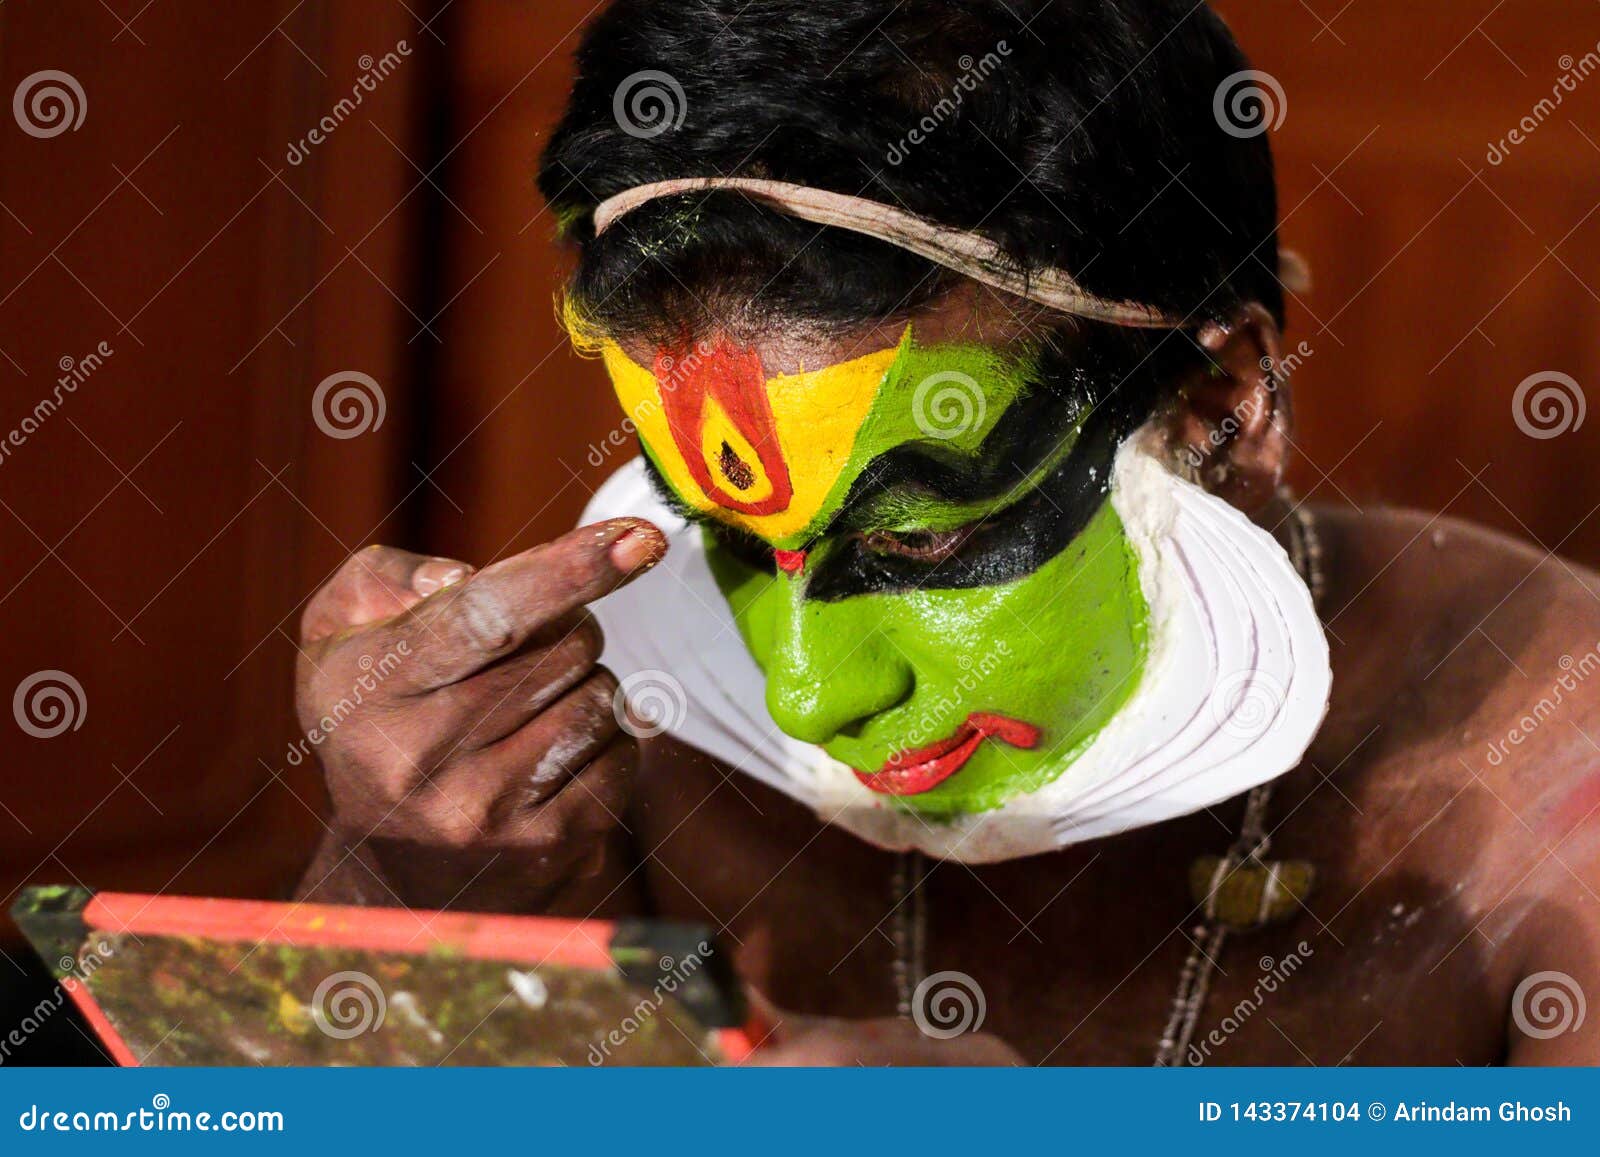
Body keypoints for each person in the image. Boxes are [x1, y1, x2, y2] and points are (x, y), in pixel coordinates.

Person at [294, 0, 1600, 1065]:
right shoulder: (611, 723)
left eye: (916, 543)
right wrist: (391, 891)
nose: (806, 697)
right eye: (732, 541)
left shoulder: (1550, 764)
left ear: (1220, 407)